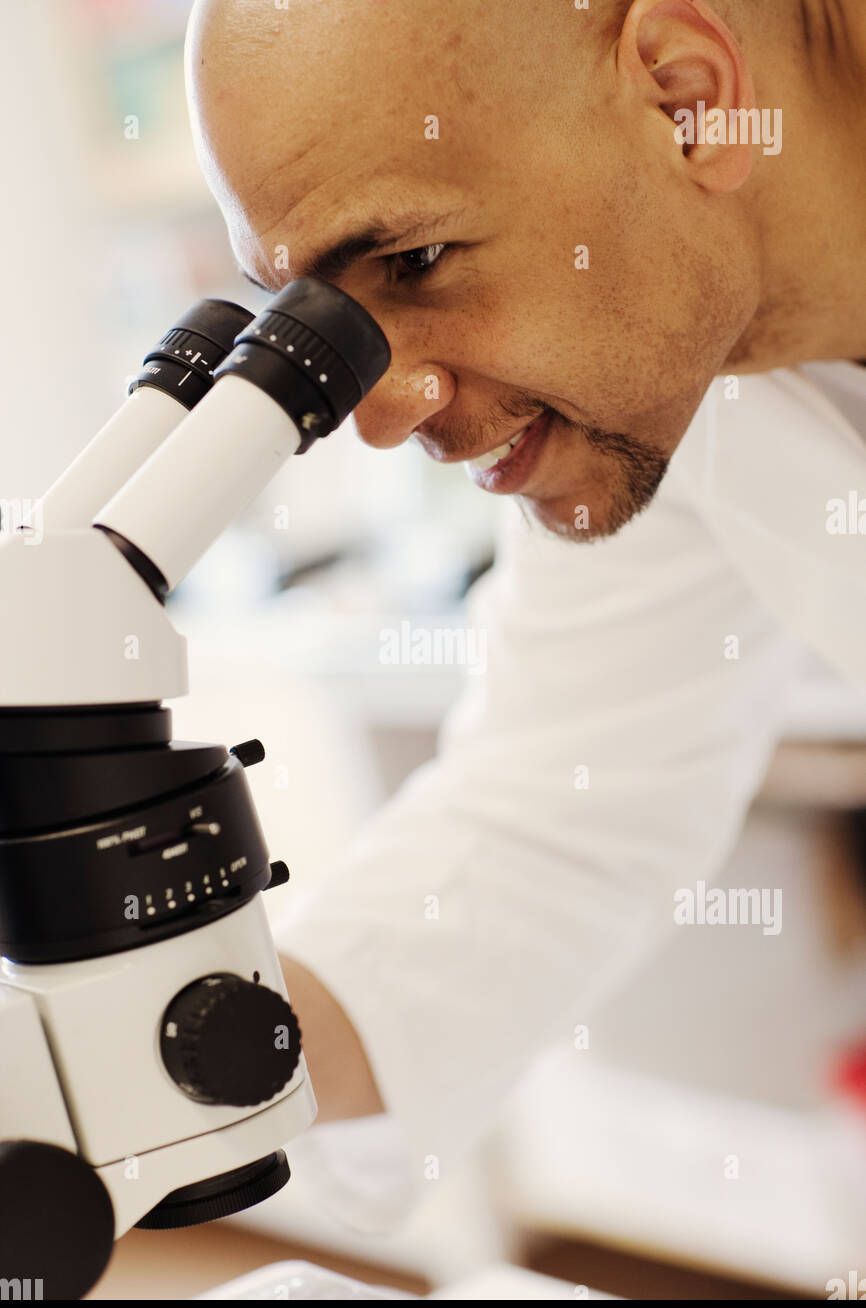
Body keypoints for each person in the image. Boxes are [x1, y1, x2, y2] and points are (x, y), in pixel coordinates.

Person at [184, 0, 866, 1202]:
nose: (378, 414)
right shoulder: (672, 370)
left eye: (412, 262)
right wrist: (147, 1061)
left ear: (688, 102)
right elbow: (550, 817)